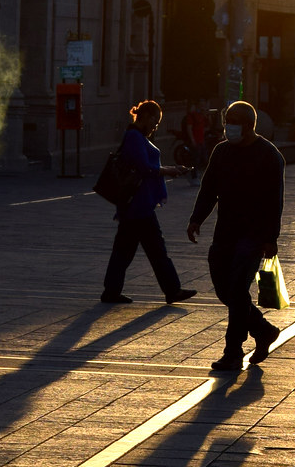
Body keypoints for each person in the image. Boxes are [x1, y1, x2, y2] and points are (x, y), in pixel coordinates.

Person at [187, 101, 285, 371]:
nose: (229, 126)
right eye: (227, 119)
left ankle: (233, 350)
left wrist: (270, 238)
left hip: (253, 236)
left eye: (235, 121)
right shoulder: (222, 152)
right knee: (225, 289)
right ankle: (263, 330)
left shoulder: (269, 155)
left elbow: (274, 201)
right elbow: (209, 189)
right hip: (225, 232)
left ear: (249, 124)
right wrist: (196, 219)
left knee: (238, 290)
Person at [101, 100, 197, 305]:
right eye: (155, 120)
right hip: (138, 204)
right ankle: (172, 290)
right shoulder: (134, 136)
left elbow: (148, 166)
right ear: (145, 116)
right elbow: (145, 168)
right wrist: (170, 170)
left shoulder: (136, 136)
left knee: (126, 250)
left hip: (136, 204)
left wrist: (170, 168)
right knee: (154, 249)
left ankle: (111, 291)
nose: (156, 126)